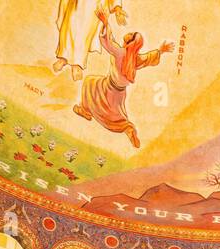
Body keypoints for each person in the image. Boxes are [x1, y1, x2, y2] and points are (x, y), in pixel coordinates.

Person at [73, 15, 173, 149]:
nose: (129, 33)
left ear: (130, 42)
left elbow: (108, 42)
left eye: (131, 35)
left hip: (108, 86)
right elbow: (149, 58)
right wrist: (161, 50)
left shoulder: (120, 52)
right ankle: (128, 129)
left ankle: (84, 110)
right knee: (117, 116)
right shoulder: (135, 59)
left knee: (89, 82)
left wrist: (105, 22)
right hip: (120, 93)